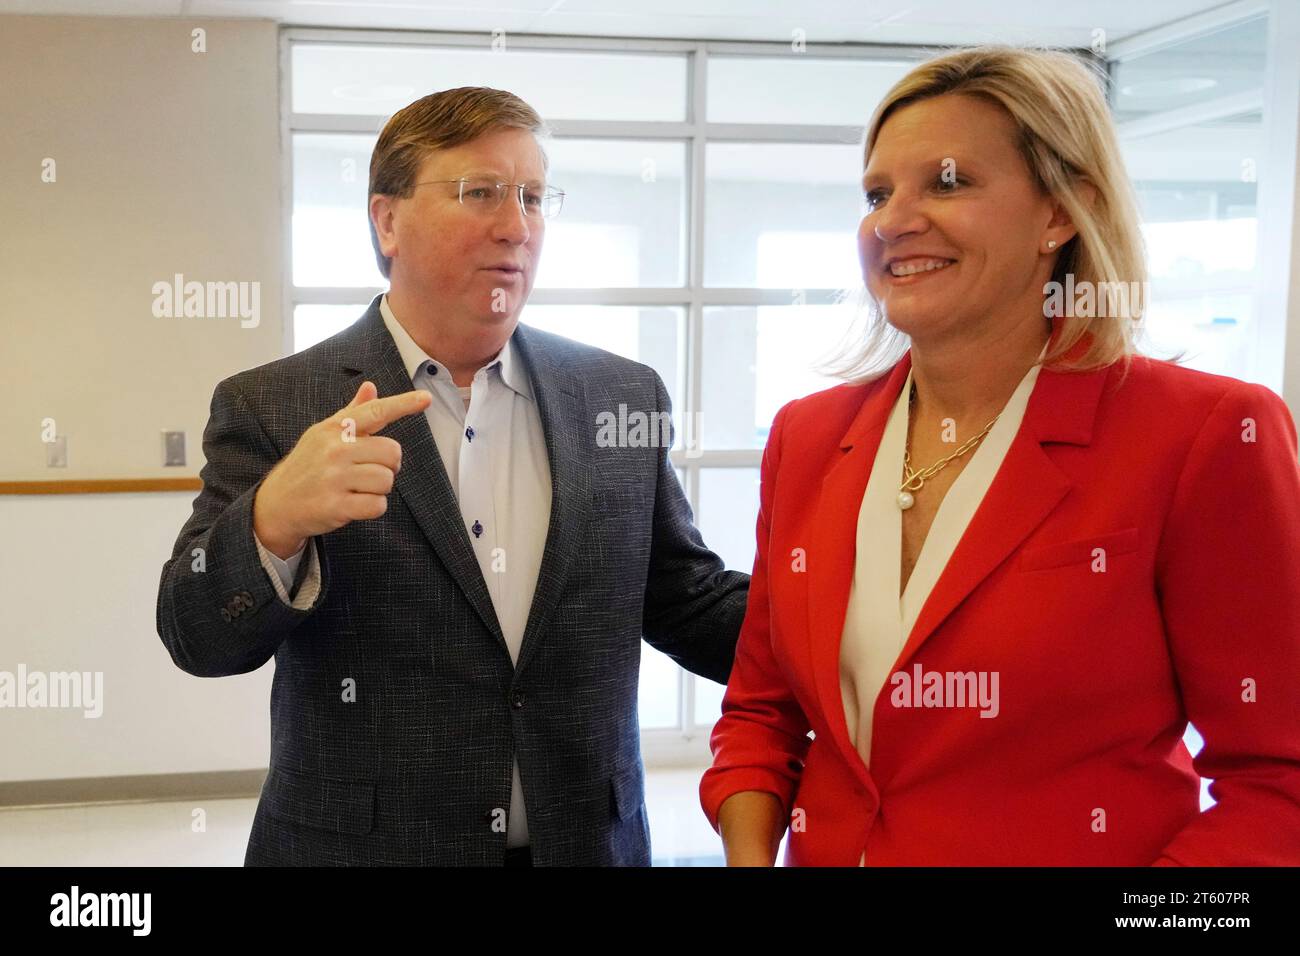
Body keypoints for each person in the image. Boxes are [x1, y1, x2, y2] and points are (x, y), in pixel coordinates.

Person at [700, 46, 1300, 866]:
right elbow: (762, 713)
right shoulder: (807, 437)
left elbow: (1279, 782)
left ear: (1062, 213)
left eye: (947, 182)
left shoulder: (1206, 434)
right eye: (878, 193)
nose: (892, 220)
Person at [156, 86, 748, 866]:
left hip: (586, 845)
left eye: (533, 197)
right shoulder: (274, 403)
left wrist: (867, 642)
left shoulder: (620, 396)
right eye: (480, 193)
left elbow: (686, 600)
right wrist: (274, 518)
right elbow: (197, 635)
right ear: (387, 220)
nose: (516, 225)